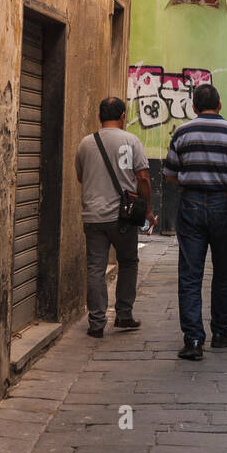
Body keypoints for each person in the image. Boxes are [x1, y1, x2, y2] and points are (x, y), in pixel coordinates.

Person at [162, 83, 227, 360]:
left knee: (190, 273)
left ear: (194, 107)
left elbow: (168, 173)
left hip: (190, 203)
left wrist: (192, 180)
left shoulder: (182, 132)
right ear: (220, 105)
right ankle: (221, 333)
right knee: (224, 271)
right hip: (223, 203)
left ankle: (193, 340)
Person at [75, 97, 155, 338]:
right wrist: (148, 210)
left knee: (95, 268)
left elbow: (80, 177)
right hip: (123, 216)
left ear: (100, 117)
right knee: (128, 262)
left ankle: (97, 323)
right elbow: (143, 177)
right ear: (122, 116)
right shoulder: (131, 141)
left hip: (93, 215)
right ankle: (123, 314)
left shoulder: (86, 143)